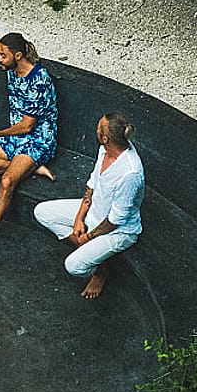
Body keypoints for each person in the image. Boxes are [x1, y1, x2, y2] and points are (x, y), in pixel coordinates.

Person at [0, 33, 58, 263]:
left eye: (3, 56)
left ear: (18, 55)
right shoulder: (10, 64)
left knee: (7, 182)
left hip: (37, 139)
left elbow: (26, 126)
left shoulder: (39, 80)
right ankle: (32, 169)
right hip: (16, 135)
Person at [33, 112, 144, 299]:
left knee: (73, 266)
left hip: (120, 231)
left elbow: (116, 220)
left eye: (99, 128)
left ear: (105, 137)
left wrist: (89, 237)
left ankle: (100, 271)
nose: (95, 129)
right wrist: (78, 219)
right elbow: (92, 184)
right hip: (94, 212)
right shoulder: (106, 149)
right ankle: (90, 251)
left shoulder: (130, 173)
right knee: (42, 212)